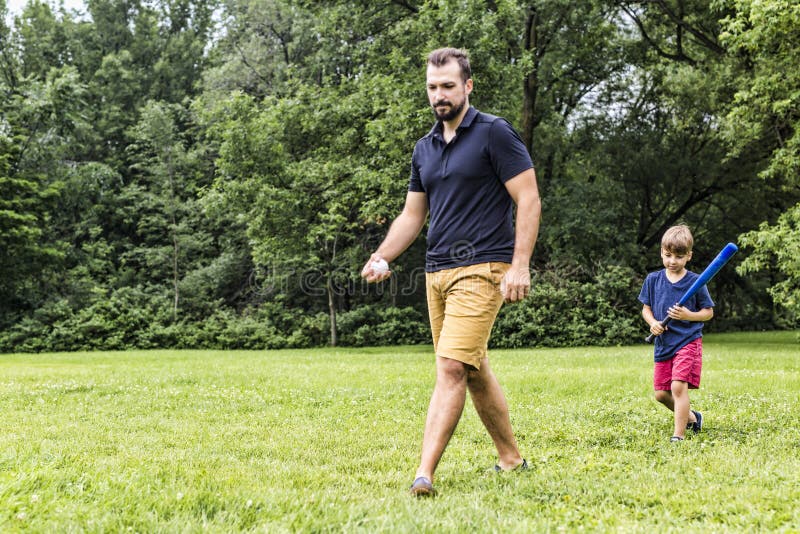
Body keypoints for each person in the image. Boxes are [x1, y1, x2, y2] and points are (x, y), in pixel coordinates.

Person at [361, 47, 541, 496]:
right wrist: (382, 255)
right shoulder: (424, 148)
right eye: (432, 87)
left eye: (447, 86)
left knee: (450, 366)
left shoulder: (494, 133)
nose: (439, 95)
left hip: (484, 267)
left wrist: (520, 266)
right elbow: (412, 215)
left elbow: (529, 198)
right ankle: (511, 459)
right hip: (437, 273)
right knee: (471, 368)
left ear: (467, 86)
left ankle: (424, 473)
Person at [638, 225, 714, 442]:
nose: (672, 261)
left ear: (689, 256)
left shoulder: (696, 282)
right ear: (661, 252)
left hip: (687, 341)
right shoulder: (653, 280)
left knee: (678, 386)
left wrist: (688, 315)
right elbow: (646, 309)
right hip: (664, 343)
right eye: (668, 255)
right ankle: (693, 418)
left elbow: (708, 313)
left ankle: (678, 436)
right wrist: (653, 323)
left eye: (679, 257)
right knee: (661, 394)